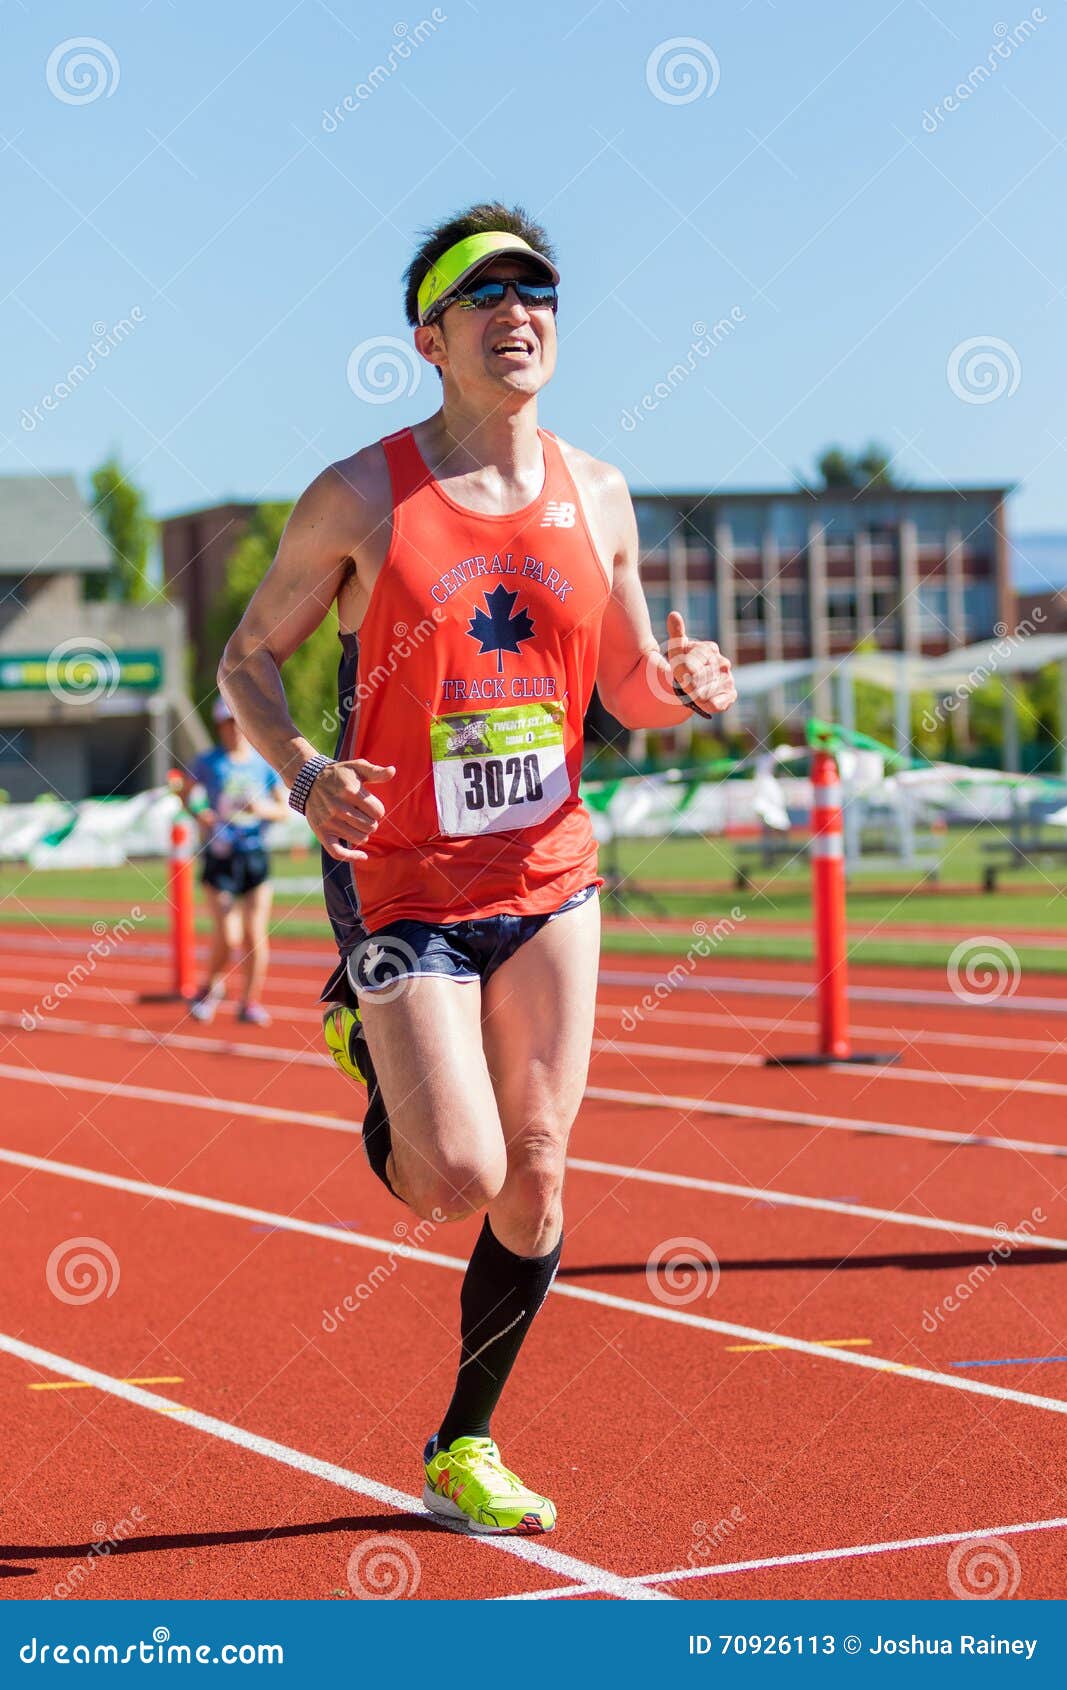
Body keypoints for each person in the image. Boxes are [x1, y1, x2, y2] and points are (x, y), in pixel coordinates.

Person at [218, 202, 737, 1535]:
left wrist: (685, 688)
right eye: (485, 295)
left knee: (540, 1166)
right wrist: (298, 768)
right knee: (451, 1170)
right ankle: (368, 1032)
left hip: (550, 866)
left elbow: (625, 682)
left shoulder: (597, 493)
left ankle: (462, 1440)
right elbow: (246, 659)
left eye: (539, 292)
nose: (519, 313)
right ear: (429, 339)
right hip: (398, 874)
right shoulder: (361, 495)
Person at [183, 697, 288, 1026]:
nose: (236, 729)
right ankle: (207, 988)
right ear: (220, 726)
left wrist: (260, 811)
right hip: (220, 856)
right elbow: (185, 791)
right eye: (229, 723)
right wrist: (201, 815)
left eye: (239, 721)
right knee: (228, 935)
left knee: (255, 935)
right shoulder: (208, 762)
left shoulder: (263, 763)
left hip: (254, 855)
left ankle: (249, 1002)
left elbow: (283, 809)